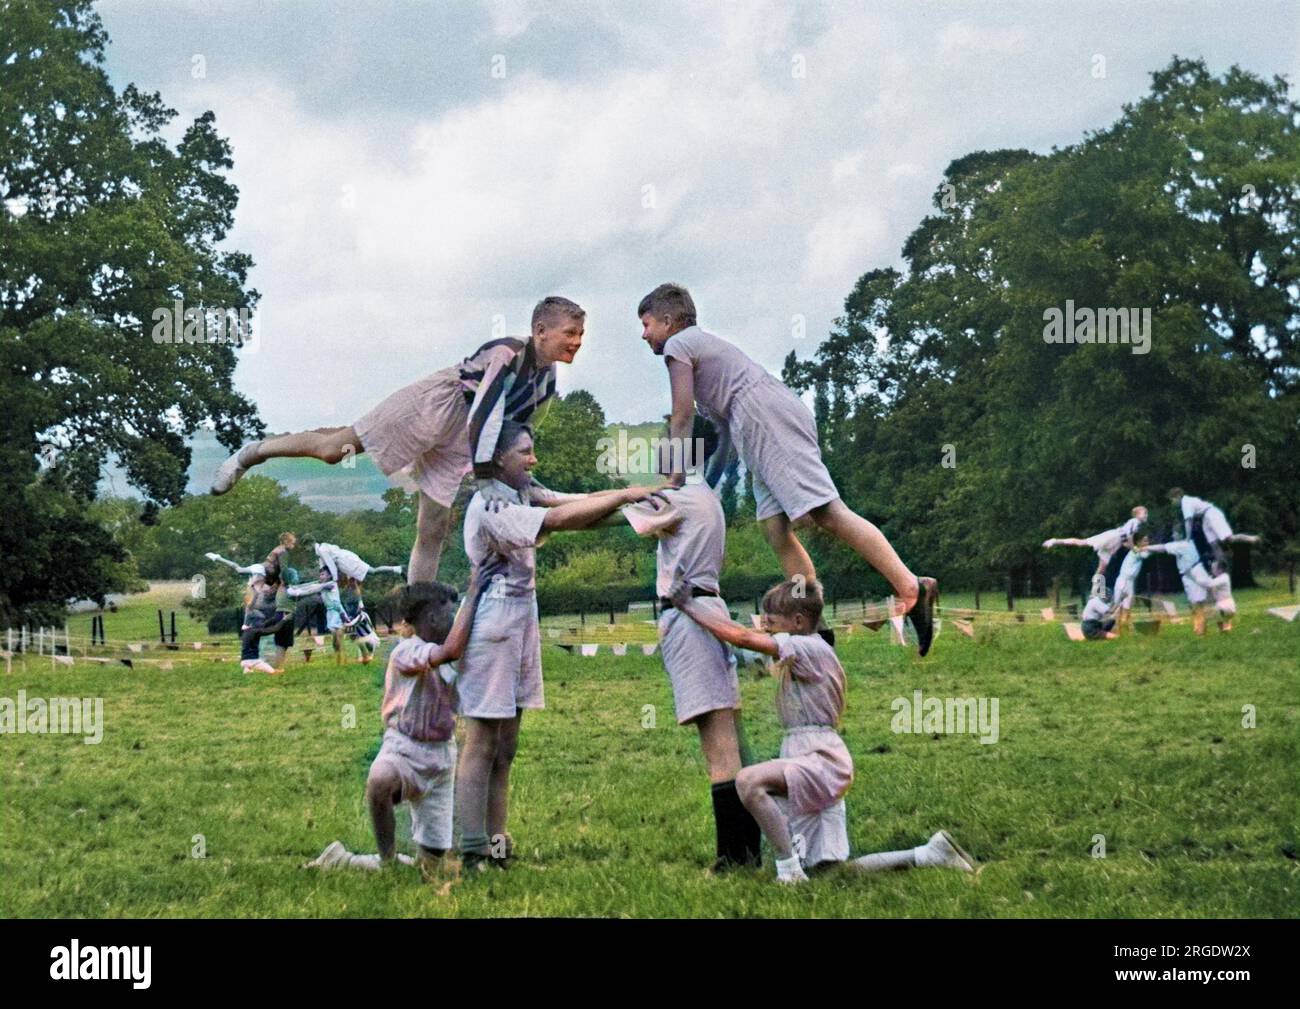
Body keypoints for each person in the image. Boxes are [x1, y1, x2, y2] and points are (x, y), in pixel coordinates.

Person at [636, 283, 938, 656]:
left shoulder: (680, 345)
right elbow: (726, 439)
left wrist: (675, 479)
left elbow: (681, 414)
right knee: (775, 529)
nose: (644, 334)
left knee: (826, 512)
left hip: (763, 415)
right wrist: (707, 489)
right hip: (754, 422)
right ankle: (813, 624)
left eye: (647, 324)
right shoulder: (704, 354)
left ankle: (911, 588)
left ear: (668, 321)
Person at [210, 296, 587, 582]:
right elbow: (484, 414)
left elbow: (519, 431)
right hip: (439, 403)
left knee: (434, 527)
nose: (576, 342)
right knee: (332, 450)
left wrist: (524, 481)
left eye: (581, 335)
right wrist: (487, 474)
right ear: (540, 331)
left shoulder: (547, 380)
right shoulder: (507, 352)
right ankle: (252, 453)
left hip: (462, 438)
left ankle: (416, 620)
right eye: (569, 333)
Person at [455, 421, 661, 872]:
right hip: (493, 623)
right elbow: (558, 520)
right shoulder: (490, 503)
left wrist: (645, 504)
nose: (533, 459)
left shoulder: (523, 491)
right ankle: (471, 852)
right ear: (498, 458)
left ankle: (498, 847)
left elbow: (579, 508)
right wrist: (628, 497)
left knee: (507, 745)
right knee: (482, 741)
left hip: (521, 617)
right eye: (525, 452)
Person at [671, 577, 973, 883]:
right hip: (813, 755)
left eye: (772, 622)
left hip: (820, 758)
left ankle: (788, 872)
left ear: (799, 621)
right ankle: (927, 854)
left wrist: (689, 605)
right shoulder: (801, 648)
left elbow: (741, 638)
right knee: (829, 872)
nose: (766, 628)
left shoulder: (807, 648)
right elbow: (744, 649)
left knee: (749, 781)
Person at [621, 440, 760, 871]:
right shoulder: (707, 496)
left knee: (718, 747)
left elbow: (626, 522)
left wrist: (624, 497)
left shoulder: (675, 499)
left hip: (689, 614)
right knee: (733, 740)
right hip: (708, 609)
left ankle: (734, 858)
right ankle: (749, 850)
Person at [306, 575, 481, 876]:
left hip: (441, 757)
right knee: (380, 780)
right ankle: (387, 861)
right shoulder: (407, 651)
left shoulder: (449, 655)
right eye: (450, 613)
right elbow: (449, 652)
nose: (455, 622)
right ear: (430, 617)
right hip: (404, 747)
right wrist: (475, 593)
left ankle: (343, 860)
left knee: (431, 870)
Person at [1144, 534, 1233, 635]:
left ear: (1180, 534)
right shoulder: (1188, 543)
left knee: (1198, 603)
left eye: (1175, 533)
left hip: (1192, 574)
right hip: (1193, 572)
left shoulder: (1181, 545)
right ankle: (1216, 626)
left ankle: (1203, 629)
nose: (1173, 535)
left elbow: (1162, 548)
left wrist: (1144, 548)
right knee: (1204, 602)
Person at [237, 539, 298, 673]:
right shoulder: (278, 559)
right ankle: (270, 666)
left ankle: (256, 665)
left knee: (272, 641)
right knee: (272, 638)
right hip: (269, 611)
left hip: (268, 610)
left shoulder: (277, 577)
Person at [1168, 489, 1261, 576]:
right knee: (1214, 545)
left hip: (1212, 514)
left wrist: (1187, 538)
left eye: (1172, 499)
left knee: (1229, 539)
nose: (1172, 502)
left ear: (1178, 496)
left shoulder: (1185, 502)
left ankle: (1251, 538)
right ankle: (1222, 572)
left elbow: (1188, 521)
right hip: (1205, 519)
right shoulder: (1186, 503)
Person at [1043, 506, 1148, 578]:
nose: (1146, 515)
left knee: (1102, 568)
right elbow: (1128, 536)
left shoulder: (1136, 524)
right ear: (1137, 514)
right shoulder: (1135, 521)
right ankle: (1054, 541)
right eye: (1145, 513)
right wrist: (1134, 548)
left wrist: (1131, 547)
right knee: (1081, 543)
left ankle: (1096, 592)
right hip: (1112, 537)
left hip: (1115, 543)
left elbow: (1125, 541)